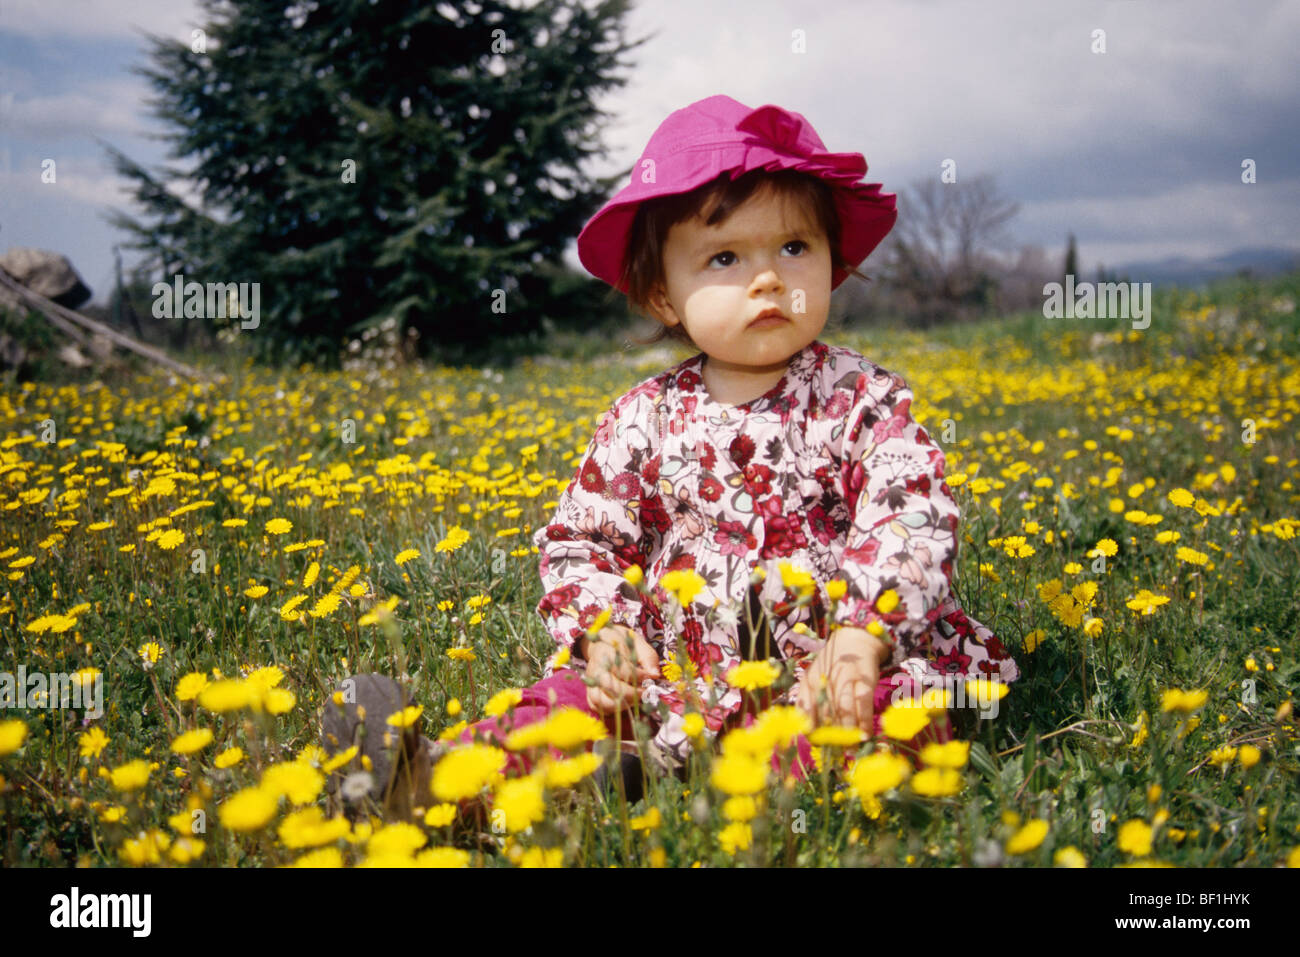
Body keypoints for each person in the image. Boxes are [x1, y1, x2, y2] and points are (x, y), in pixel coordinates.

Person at [324, 95, 1020, 811]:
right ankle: (436, 781)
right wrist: (607, 632)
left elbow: (912, 511)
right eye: (725, 256)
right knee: (565, 705)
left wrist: (862, 632)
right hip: (672, 680)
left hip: (832, 668)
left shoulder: (860, 398)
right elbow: (583, 539)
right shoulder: (643, 418)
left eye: (794, 247)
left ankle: (711, 790)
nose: (769, 277)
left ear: (831, 258)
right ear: (663, 294)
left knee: (880, 718)